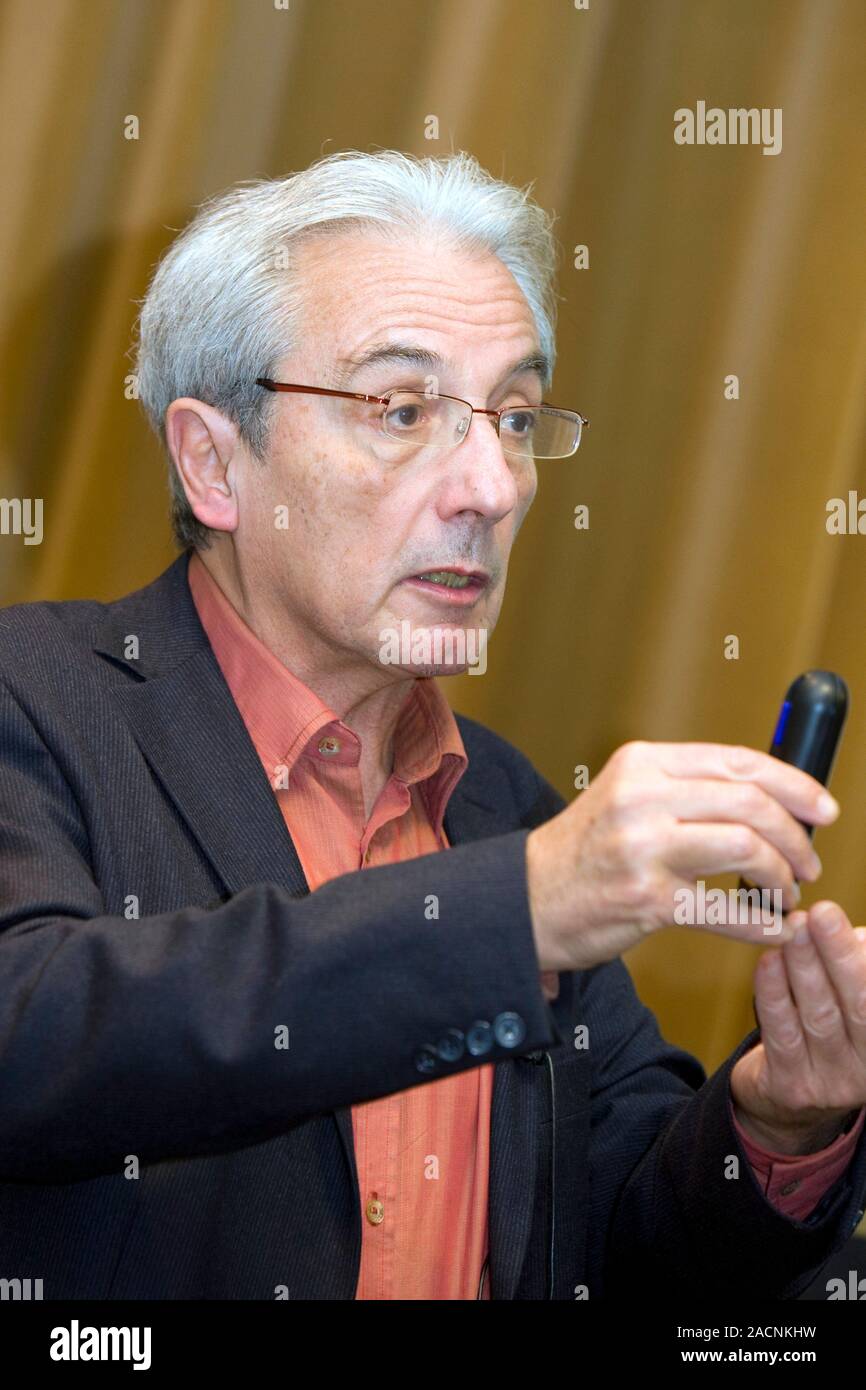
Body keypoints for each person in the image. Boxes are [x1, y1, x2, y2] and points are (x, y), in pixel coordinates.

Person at [1, 150, 864, 1301]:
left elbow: (617, 1238)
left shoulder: (504, 805)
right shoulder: (38, 698)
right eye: (403, 408)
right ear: (214, 462)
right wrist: (518, 908)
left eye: (512, 416)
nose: (491, 486)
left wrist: (775, 1124)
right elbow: (38, 1035)